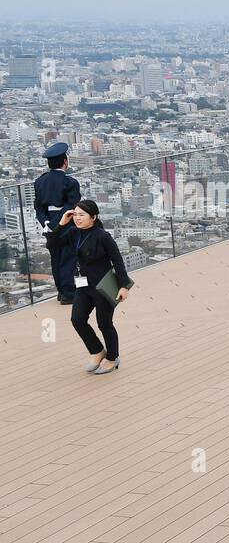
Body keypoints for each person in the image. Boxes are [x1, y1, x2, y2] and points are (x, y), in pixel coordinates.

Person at [59, 201, 132, 375]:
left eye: (81, 215)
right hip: (83, 285)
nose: (77, 218)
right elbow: (52, 244)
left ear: (93, 217)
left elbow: (117, 260)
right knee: (77, 320)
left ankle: (112, 358)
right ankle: (97, 351)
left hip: (102, 286)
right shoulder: (73, 233)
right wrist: (62, 223)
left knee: (104, 323)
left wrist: (124, 286)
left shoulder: (102, 236)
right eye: (75, 214)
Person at [33, 142, 81, 304]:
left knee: (56, 258)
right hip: (66, 223)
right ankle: (68, 293)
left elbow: (38, 207)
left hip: (49, 225)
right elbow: (71, 205)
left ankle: (61, 291)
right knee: (68, 259)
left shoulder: (40, 182)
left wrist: (46, 223)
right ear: (65, 162)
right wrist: (57, 223)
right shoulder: (71, 182)